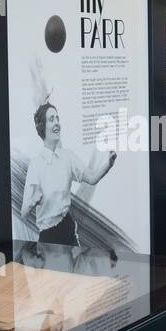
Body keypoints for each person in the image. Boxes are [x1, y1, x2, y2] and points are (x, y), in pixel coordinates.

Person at [21, 102, 116, 246]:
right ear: (42, 127)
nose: (57, 123)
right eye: (51, 119)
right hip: (48, 238)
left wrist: (109, 164)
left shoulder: (68, 157)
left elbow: (91, 178)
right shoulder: (35, 165)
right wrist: (32, 202)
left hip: (68, 230)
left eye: (57, 118)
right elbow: (23, 213)